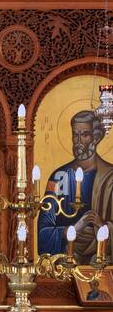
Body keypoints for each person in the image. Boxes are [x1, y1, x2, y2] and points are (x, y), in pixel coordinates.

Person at [39, 110, 113, 262]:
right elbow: (43, 232)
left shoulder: (111, 177)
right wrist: (71, 230)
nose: (79, 141)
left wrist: (102, 227)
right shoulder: (58, 178)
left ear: (96, 137)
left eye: (85, 135)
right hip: (64, 267)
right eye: (75, 135)